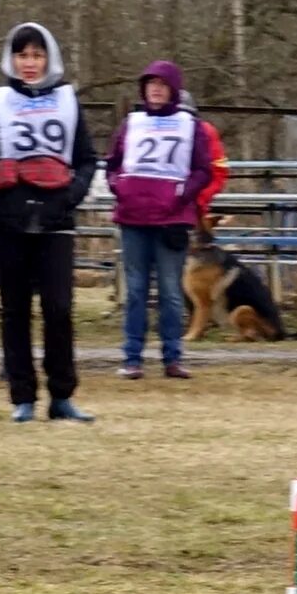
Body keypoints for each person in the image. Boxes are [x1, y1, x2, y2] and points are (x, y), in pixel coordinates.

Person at [0, 21, 98, 422]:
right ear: (11, 58)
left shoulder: (68, 100)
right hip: (6, 222)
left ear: (50, 58)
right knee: (14, 310)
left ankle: (62, 396)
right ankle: (22, 395)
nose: (29, 63)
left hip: (55, 221)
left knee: (59, 309)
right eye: (22, 55)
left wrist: (70, 195)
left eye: (37, 55)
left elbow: (87, 158)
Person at [107, 60, 223, 379]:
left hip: (171, 220)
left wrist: (182, 195)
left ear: (173, 89)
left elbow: (204, 169)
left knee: (171, 292)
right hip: (133, 218)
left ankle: (172, 356)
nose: (155, 89)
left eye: (162, 84)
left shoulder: (190, 126)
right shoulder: (132, 123)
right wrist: (118, 187)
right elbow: (112, 163)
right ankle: (132, 357)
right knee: (135, 290)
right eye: (150, 83)